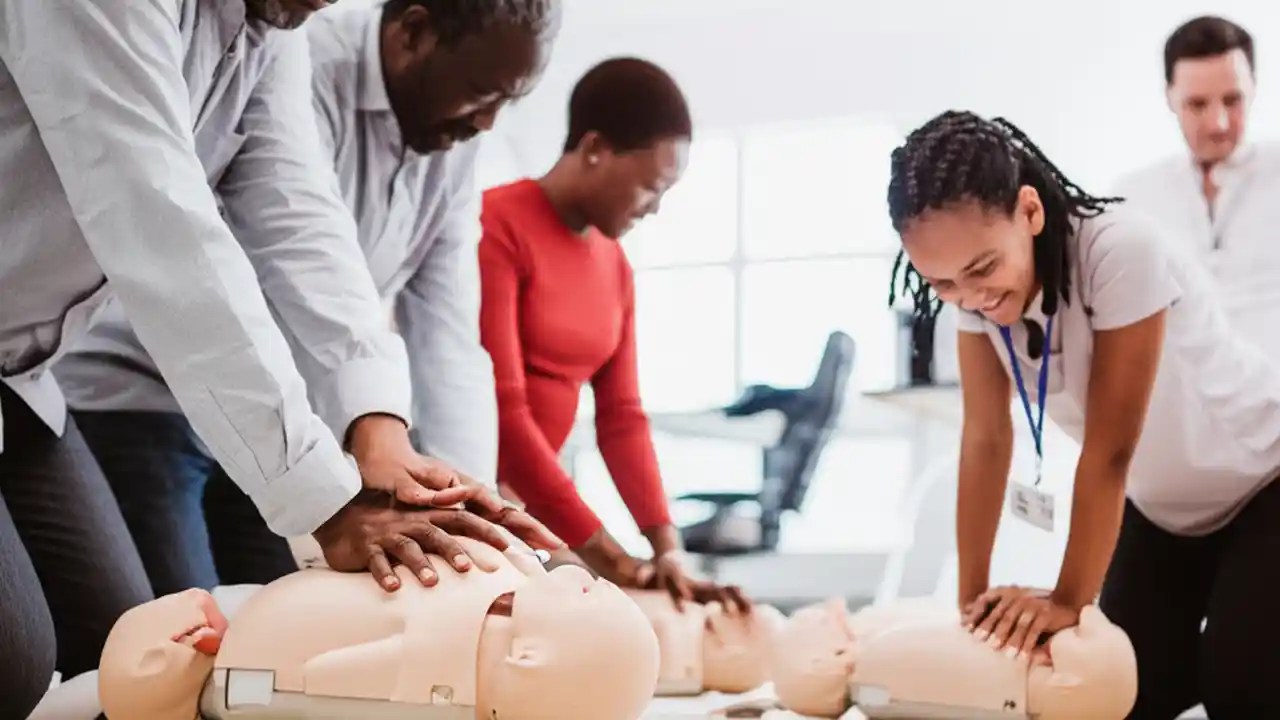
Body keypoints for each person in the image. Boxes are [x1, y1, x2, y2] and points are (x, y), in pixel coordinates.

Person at [0, 1, 554, 716]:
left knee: (121, 638)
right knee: (16, 660)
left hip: (23, 371)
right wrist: (329, 500)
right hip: (132, 385)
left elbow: (298, 215)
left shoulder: (269, 30)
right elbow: (160, 221)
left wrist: (379, 432)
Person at [885, 109, 1280, 719]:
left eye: (983, 268)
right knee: (1120, 693)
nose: (970, 298)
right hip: (1165, 511)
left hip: (1263, 480)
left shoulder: (1121, 250)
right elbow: (986, 439)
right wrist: (972, 603)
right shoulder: (974, 298)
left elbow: (1110, 448)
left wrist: (1070, 599)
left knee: (1242, 686)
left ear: (1030, 212)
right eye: (942, 284)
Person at [479, 57, 748, 611]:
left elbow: (622, 418)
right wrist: (607, 555)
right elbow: (502, 413)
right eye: (652, 188)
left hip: (531, 509)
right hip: (469, 491)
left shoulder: (616, 265)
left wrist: (666, 548)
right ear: (596, 147)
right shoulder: (497, 224)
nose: (655, 210)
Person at [1113, 15, 1280, 359]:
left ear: (1255, 88)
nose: (1218, 123)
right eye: (1198, 105)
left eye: (1233, 100)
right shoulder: (1134, 198)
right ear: (1169, 97)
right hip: (1181, 406)